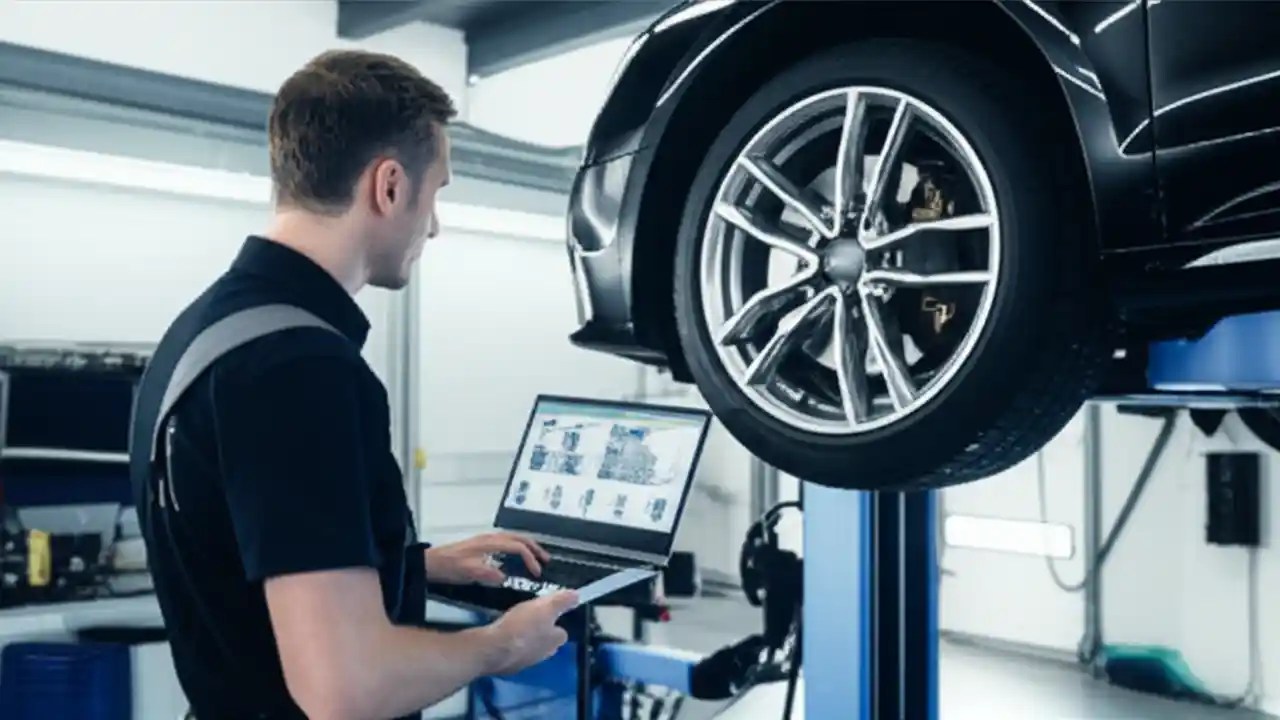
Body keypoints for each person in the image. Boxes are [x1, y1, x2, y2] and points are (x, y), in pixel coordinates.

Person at [128, 49, 577, 720]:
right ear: (389, 186)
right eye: (436, 193)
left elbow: (239, 559)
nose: (433, 225)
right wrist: (501, 644)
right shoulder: (298, 368)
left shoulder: (204, 331)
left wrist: (409, 563)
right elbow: (345, 688)